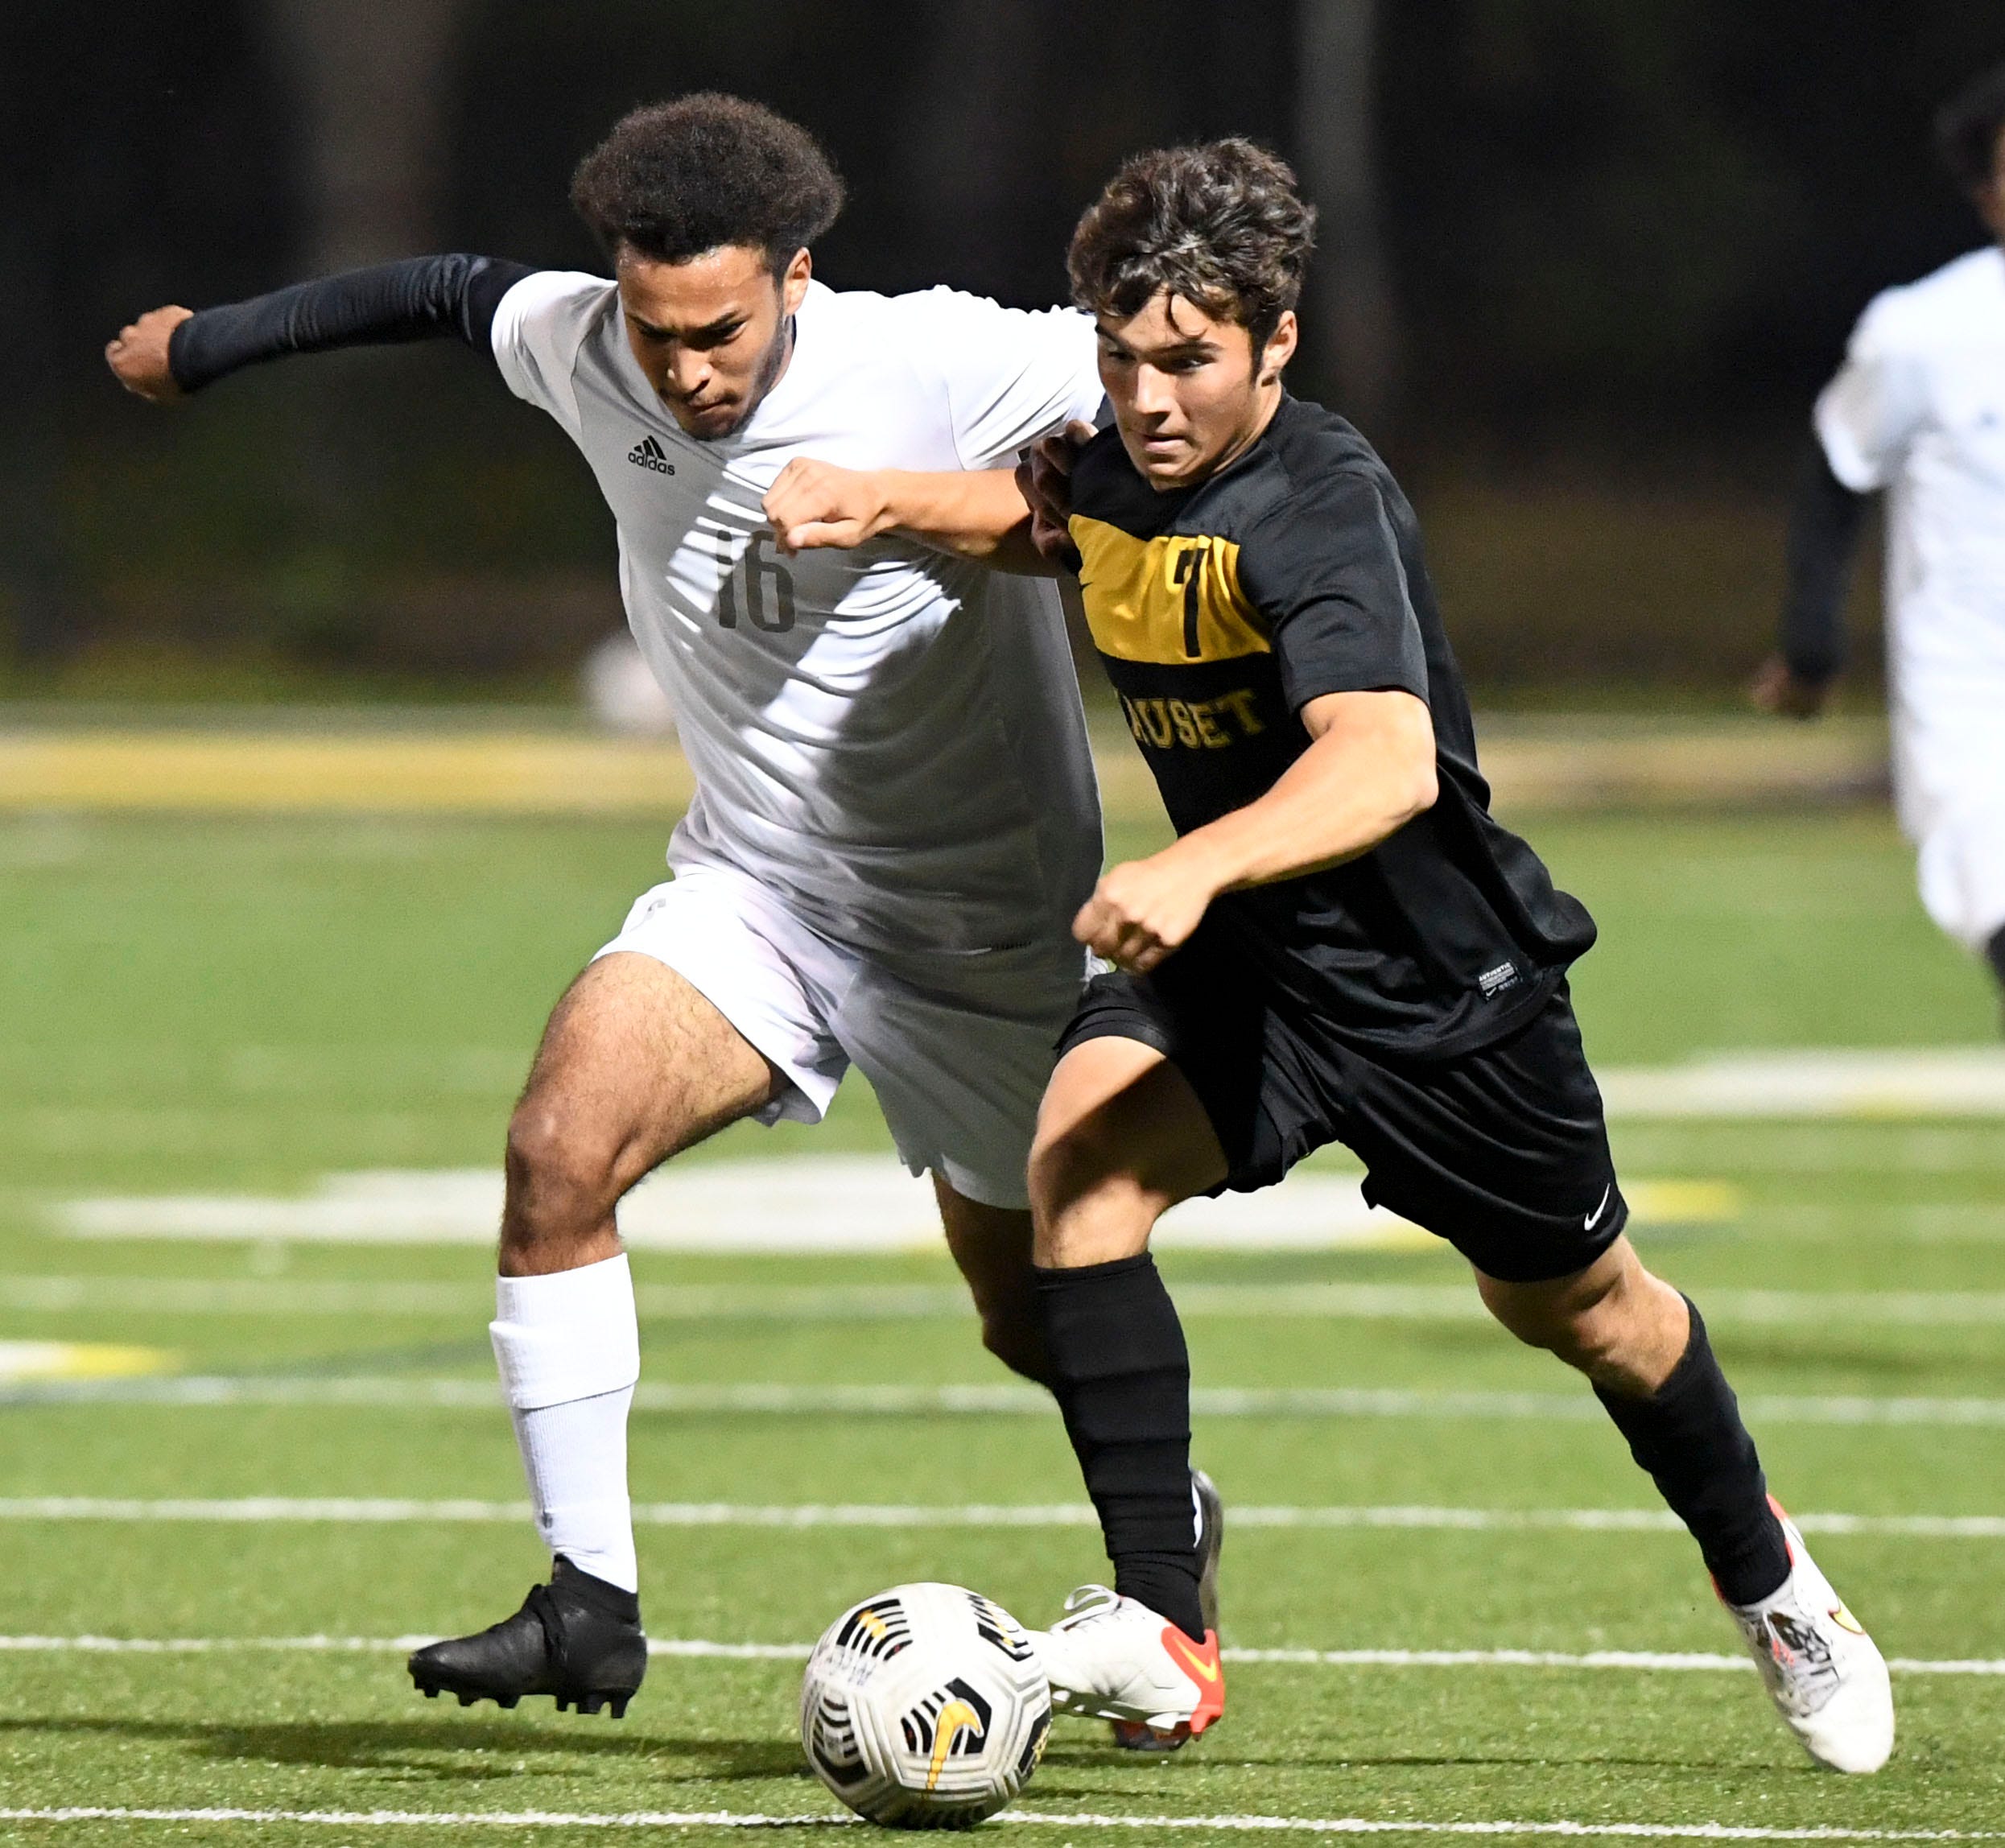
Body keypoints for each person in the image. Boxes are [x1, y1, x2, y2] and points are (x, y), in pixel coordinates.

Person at [104, 92, 1130, 1720]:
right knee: (554, 1151)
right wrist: (209, 345)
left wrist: (928, 503)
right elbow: (441, 288)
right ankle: (591, 1602)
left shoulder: (944, 361)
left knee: (1036, 1313)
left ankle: (1164, 1562)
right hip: (760, 891)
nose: (685, 371)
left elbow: (1178, 453)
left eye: (718, 331)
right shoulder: (589, 343)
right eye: (654, 333)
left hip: (991, 930)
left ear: (800, 273)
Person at [1001, 138, 1894, 1772]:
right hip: (1254, 974)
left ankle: (1771, 1578)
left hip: (1439, 994)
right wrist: (854, 505)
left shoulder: (1322, 501)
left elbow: (1384, 761)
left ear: (1278, 342)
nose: (1148, 397)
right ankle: (1163, 1628)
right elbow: (1044, 521)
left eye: (1189, 361)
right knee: (1076, 1175)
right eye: (1120, 359)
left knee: (1582, 1308)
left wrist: (1194, 859)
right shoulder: (1121, 469)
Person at [1756, 64, 2005, 1000]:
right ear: (1986, 193)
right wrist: (1811, 643)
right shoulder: (1923, 331)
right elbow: (1837, 467)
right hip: (1978, 710)